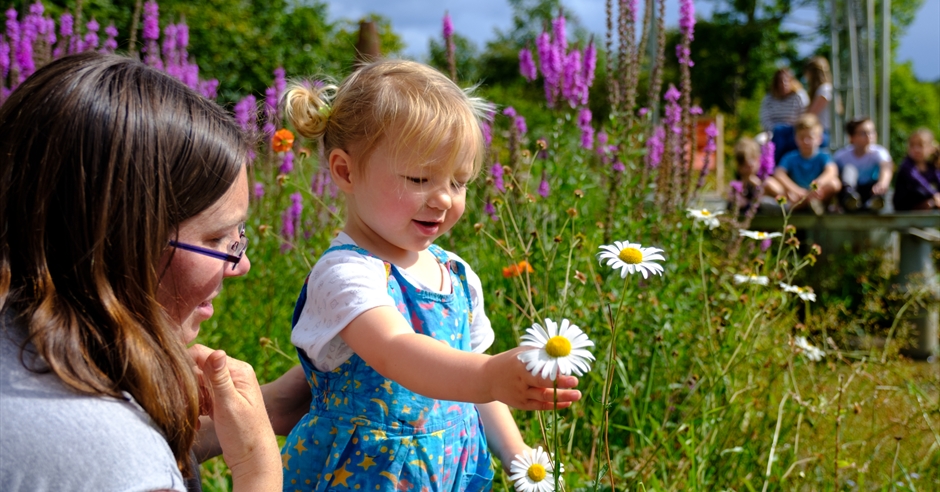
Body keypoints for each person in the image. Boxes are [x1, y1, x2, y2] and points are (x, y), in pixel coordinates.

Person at [279, 59, 582, 490]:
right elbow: (395, 350)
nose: (443, 199)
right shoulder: (345, 273)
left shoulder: (456, 275)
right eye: (420, 178)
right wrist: (490, 375)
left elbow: (478, 387)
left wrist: (521, 460)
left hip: (446, 475)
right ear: (345, 171)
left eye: (459, 182)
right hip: (363, 477)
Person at [0, 53, 284, 491]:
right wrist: (257, 472)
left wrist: (274, 403)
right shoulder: (115, 456)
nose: (241, 264)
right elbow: (107, 460)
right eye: (219, 240)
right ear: (121, 244)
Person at [770, 113, 841, 214]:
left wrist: (815, 187)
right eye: (802, 137)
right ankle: (805, 204)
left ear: (819, 139)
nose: (806, 141)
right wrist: (797, 190)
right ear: (796, 139)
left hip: (817, 194)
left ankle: (800, 205)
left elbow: (831, 171)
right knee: (769, 183)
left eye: (810, 137)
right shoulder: (790, 156)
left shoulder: (823, 155)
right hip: (795, 194)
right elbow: (779, 173)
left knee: (834, 183)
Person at [832, 117, 893, 212]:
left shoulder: (879, 152)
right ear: (852, 137)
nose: (869, 136)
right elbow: (834, 175)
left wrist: (882, 183)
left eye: (872, 132)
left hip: (872, 190)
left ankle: (875, 202)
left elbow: (886, 168)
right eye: (863, 133)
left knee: (879, 185)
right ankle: (850, 201)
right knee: (849, 169)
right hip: (850, 190)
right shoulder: (841, 155)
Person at [760, 68, 809, 163]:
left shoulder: (799, 96)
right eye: (780, 81)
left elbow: (804, 117)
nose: (783, 84)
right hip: (773, 132)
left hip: (794, 131)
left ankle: (777, 164)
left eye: (786, 81)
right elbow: (765, 119)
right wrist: (773, 130)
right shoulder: (768, 98)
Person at [893, 128, 940, 211]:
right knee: (919, 191)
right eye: (912, 145)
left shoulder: (932, 166)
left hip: (928, 200)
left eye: (921, 145)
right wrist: (934, 194)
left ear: (931, 148)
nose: (916, 149)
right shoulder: (906, 165)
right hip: (905, 205)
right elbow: (918, 181)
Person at [803, 56, 834, 149]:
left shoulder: (825, 89)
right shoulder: (822, 89)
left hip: (824, 133)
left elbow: (810, 115)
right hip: (818, 132)